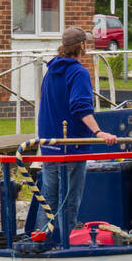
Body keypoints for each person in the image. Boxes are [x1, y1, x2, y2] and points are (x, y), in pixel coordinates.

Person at [36, 27, 116, 244]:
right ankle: (66, 245)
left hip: (49, 145)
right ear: (82, 45)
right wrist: (98, 132)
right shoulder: (78, 72)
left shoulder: (51, 70)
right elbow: (80, 106)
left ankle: (41, 241)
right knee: (70, 200)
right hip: (72, 146)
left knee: (49, 198)